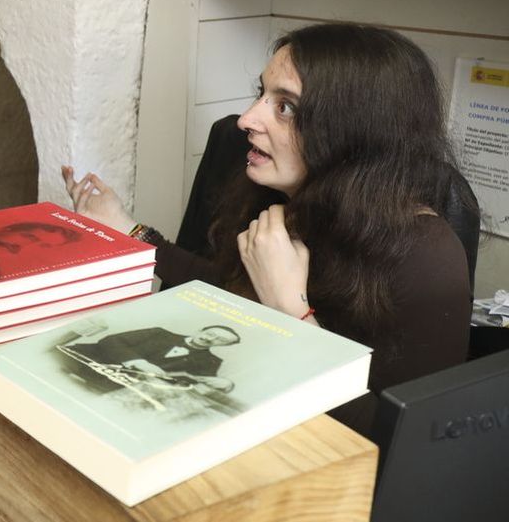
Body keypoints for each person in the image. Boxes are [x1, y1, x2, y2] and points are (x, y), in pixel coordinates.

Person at [62, 23, 473, 435]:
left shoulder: (429, 256)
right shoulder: (283, 197)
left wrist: (292, 313)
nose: (246, 119)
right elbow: (227, 293)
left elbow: (401, 438)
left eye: (286, 107)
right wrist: (128, 230)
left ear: (353, 131)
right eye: (262, 94)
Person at [60, 325, 239, 395]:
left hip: (110, 387)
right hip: (81, 359)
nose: (210, 339)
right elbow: (110, 341)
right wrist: (139, 362)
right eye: (210, 333)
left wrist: (226, 385)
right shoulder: (160, 333)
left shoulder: (211, 362)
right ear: (200, 330)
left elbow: (189, 387)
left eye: (220, 340)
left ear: (224, 346)